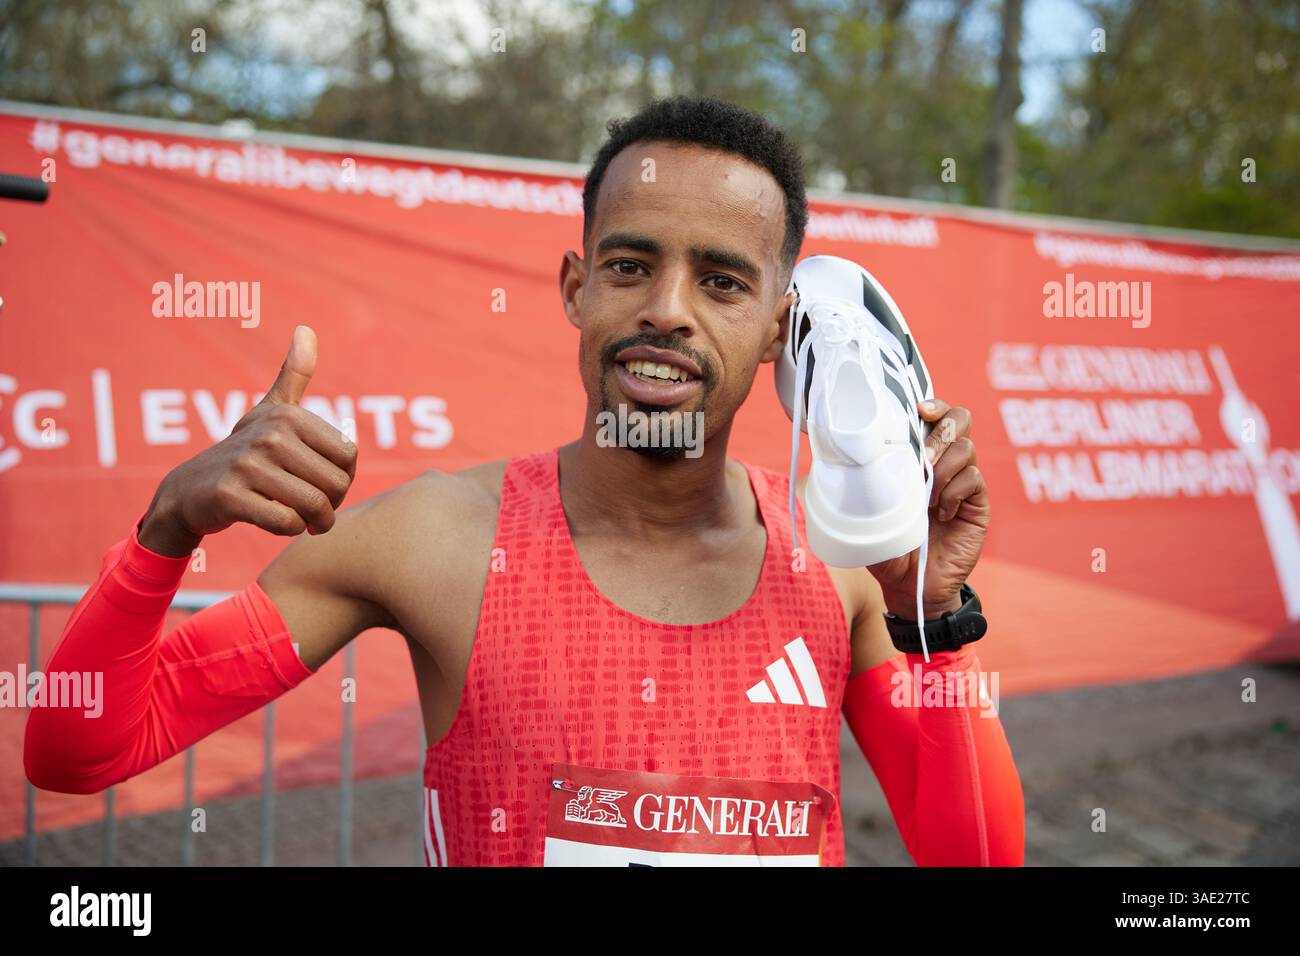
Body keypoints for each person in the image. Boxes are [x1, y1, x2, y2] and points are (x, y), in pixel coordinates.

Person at [24, 96, 1023, 866]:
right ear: (576, 287)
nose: (668, 309)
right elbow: (77, 755)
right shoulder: (428, 540)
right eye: (631, 265)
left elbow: (975, 855)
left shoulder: (846, 569)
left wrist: (930, 617)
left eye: (720, 280)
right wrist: (165, 532)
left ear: (776, 327)